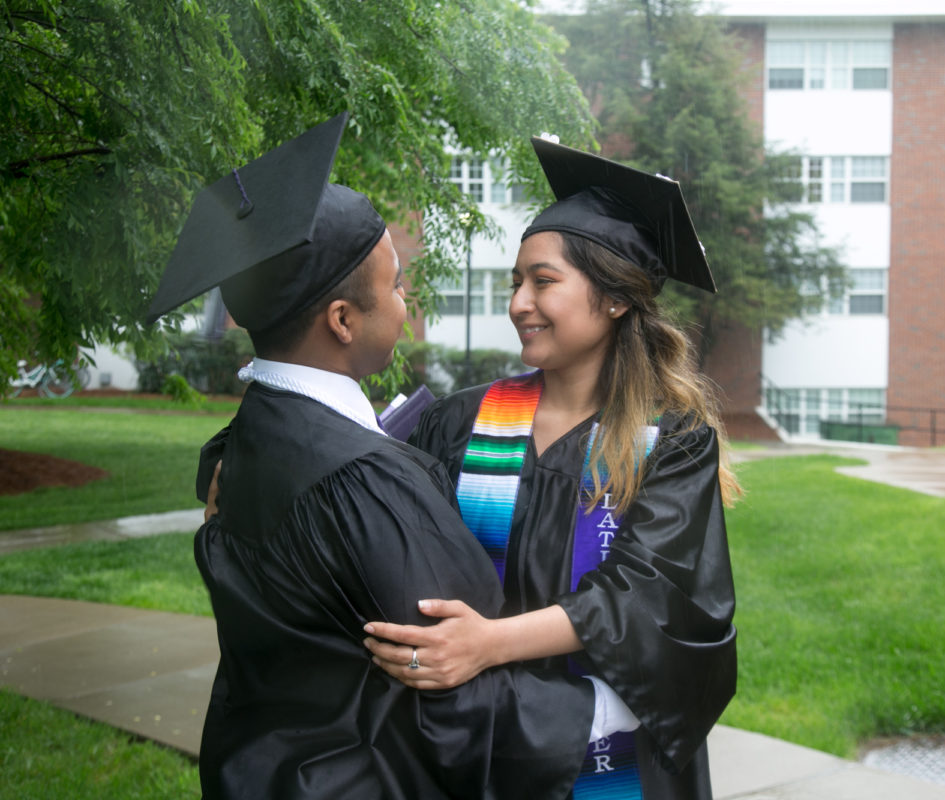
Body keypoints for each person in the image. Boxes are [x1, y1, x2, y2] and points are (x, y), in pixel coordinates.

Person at [147, 115, 637, 800]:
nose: (407, 304)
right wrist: (611, 713)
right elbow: (449, 692)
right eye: (397, 286)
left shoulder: (246, 444)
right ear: (344, 320)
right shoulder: (368, 483)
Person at [363, 137, 741, 799]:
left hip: (612, 752)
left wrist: (486, 644)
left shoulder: (671, 440)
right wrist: (237, 463)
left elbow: (646, 599)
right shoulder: (463, 421)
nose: (518, 303)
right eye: (516, 282)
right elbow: (355, 481)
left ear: (615, 298)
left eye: (543, 281)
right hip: (476, 737)